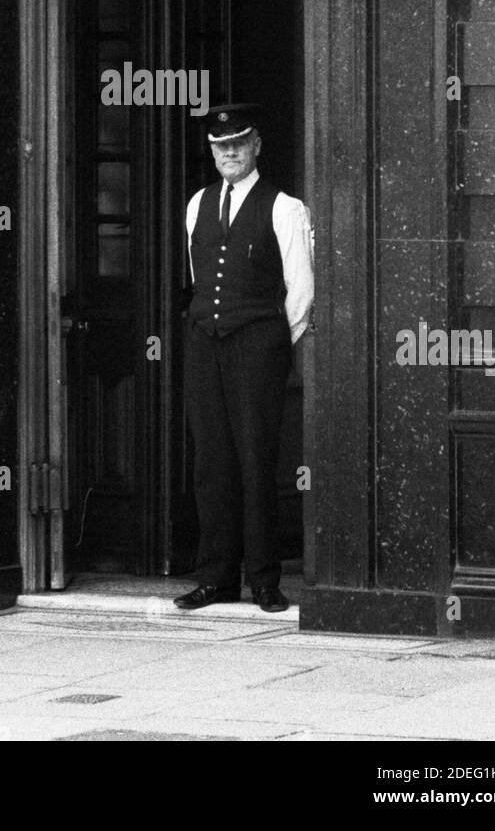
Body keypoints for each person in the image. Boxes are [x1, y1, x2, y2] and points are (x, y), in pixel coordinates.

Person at [175, 103, 314, 613]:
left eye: (237, 143)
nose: (229, 152)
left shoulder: (284, 207)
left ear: (256, 145)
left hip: (257, 344)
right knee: (213, 461)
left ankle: (263, 580)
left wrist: (274, 342)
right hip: (204, 344)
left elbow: (301, 292)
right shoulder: (196, 204)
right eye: (220, 145)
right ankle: (216, 578)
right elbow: (198, 273)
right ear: (212, 151)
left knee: (257, 461)